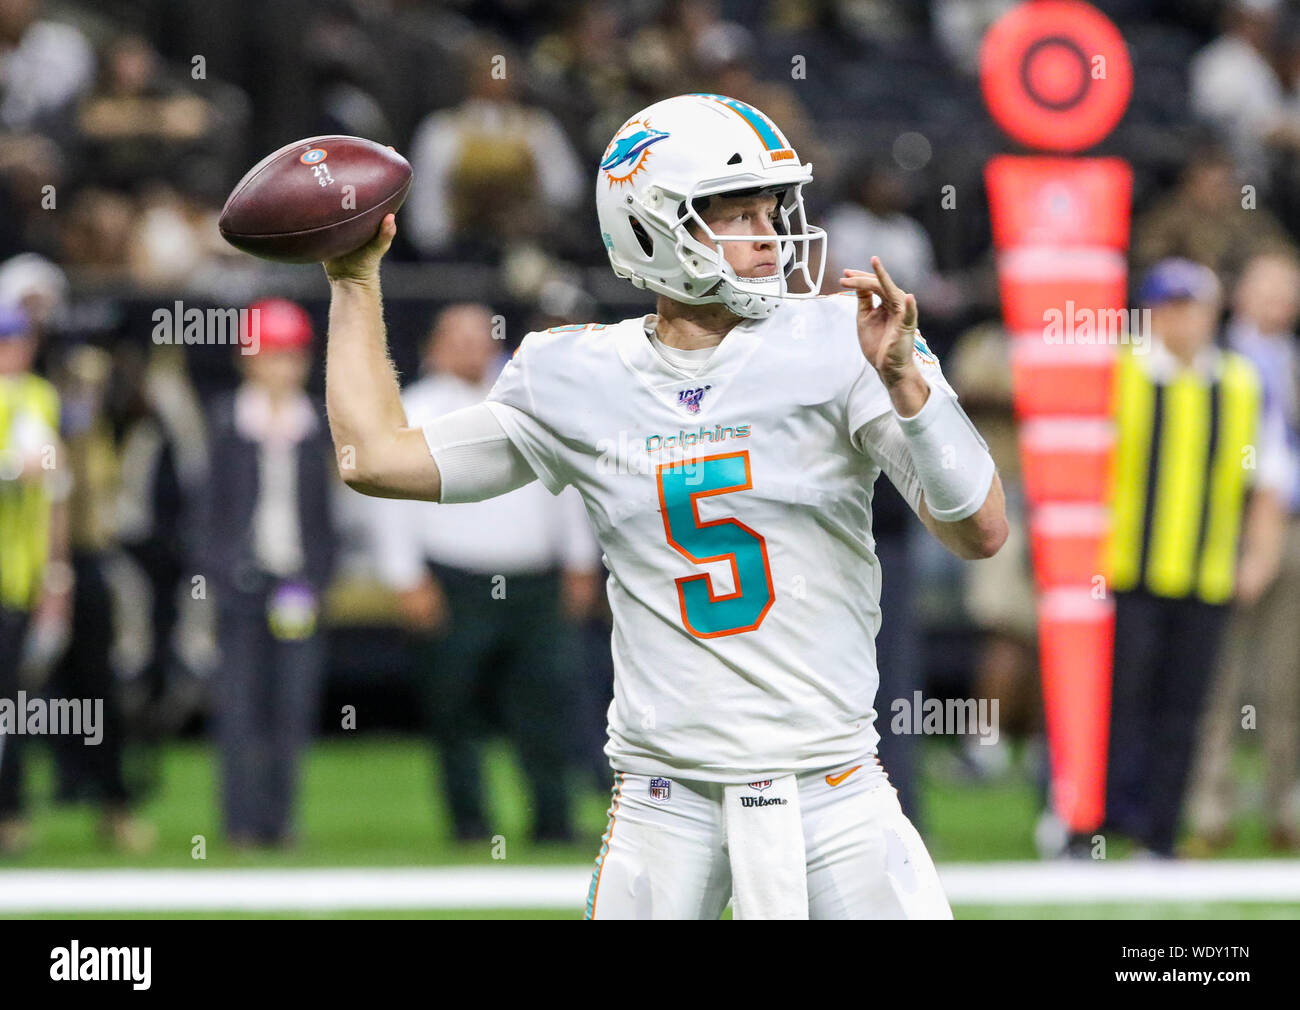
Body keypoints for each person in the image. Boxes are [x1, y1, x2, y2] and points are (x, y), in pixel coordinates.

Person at [323, 94, 1007, 919]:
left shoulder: (845, 339)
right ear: (651, 227)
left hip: (831, 786)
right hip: (664, 802)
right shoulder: (575, 374)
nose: (768, 236)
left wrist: (910, 386)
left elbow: (979, 530)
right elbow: (375, 458)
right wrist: (355, 281)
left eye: (772, 209)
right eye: (737, 214)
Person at [366, 303, 601, 843]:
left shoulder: (528, 399)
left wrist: (580, 563)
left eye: (481, 337)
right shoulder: (414, 408)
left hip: (535, 581)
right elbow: (391, 502)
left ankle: (553, 820)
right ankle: (469, 823)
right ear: (435, 347)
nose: (473, 349)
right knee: (454, 708)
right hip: (454, 579)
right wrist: (406, 577)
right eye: (460, 338)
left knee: (546, 703)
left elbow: (566, 484)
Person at [1101, 258, 1289, 859]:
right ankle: (1105, 823)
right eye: (1171, 307)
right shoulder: (1118, 372)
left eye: (1194, 307)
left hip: (1206, 570)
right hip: (1124, 568)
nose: (1183, 320)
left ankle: (1160, 832)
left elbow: (1269, 479)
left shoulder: (1238, 381)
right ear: (1152, 313)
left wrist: (1258, 557)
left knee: (1185, 708)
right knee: (1119, 701)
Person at [198, 298, 337, 849]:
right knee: (237, 707)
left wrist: (319, 578)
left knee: (291, 706)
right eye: (270, 356)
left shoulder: (314, 426)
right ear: (248, 361)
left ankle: (280, 822)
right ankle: (240, 823)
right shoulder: (228, 423)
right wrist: (218, 571)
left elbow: (327, 516)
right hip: (240, 584)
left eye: (290, 356)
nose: (281, 368)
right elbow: (207, 510)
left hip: (297, 585)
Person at [1187, 250, 1300, 853]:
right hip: (1223, 526)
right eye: (1269, 287)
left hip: (1295, 528)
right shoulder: (1212, 362)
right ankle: (1211, 810)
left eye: (1289, 289)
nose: (1279, 301)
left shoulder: (1292, 362)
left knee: (1289, 681)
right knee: (1218, 679)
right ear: (1241, 293)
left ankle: (1288, 809)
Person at [0, 304, 69, 856]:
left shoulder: (39, 398)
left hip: (15, 578)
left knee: (13, 703)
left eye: (18, 341)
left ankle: (11, 814)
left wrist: (54, 573)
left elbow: (52, 490)